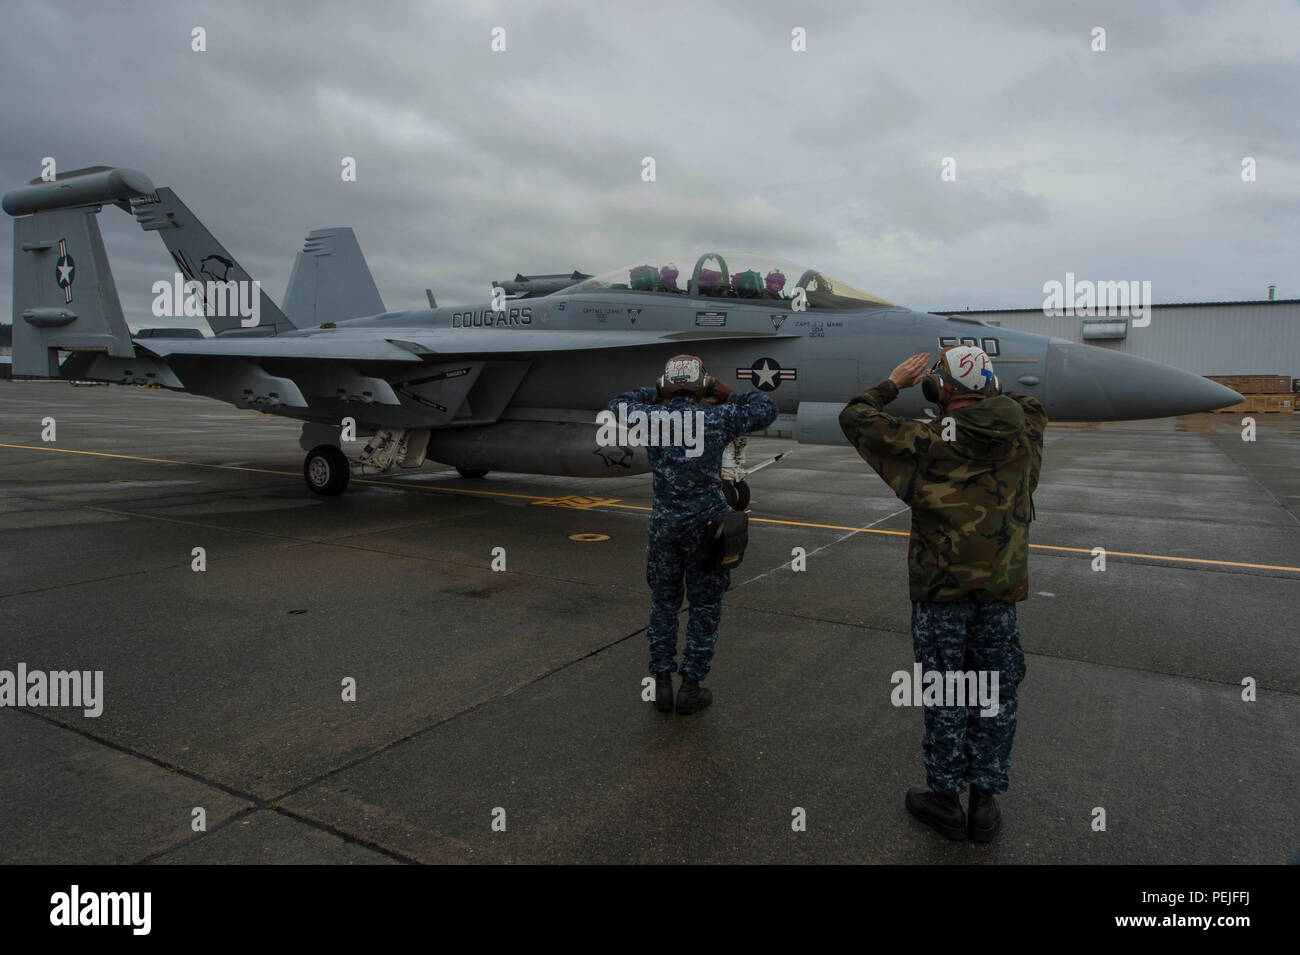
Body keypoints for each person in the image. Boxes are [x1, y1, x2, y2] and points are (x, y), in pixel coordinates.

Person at [838, 346, 1046, 843]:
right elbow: (1020, 402)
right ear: (993, 387)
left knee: (947, 692)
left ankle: (946, 801)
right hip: (999, 595)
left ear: (939, 392)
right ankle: (986, 804)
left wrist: (895, 383)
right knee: (995, 693)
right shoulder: (1027, 430)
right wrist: (979, 379)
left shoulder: (926, 441)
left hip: (941, 595)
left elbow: (855, 416)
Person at [609, 355, 778, 715]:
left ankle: (661, 684)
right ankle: (691, 686)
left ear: (666, 385)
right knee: (705, 605)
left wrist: (657, 390)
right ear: (704, 385)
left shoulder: (651, 418)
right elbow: (766, 408)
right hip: (708, 527)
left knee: (664, 602)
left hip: (666, 525)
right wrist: (726, 392)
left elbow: (618, 404)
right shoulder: (719, 417)